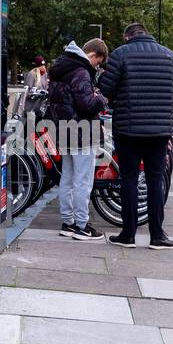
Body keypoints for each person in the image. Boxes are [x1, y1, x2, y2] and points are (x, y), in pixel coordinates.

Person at [97, 22, 173, 249]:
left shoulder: (119, 55)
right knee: (156, 180)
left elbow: (106, 90)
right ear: (147, 34)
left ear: (128, 37)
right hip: (160, 130)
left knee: (129, 179)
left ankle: (128, 234)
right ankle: (157, 235)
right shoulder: (169, 55)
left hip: (128, 129)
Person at [47, 38, 109, 240]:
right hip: (82, 131)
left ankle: (68, 223)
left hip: (65, 129)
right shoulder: (80, 71)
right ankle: (82, 225)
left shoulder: (61, 67)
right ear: (92, 55)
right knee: (83, 180)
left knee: (68, 178)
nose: (97, 66)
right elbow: (87, 105)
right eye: (98, 62)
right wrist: (101, 97)